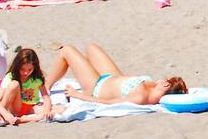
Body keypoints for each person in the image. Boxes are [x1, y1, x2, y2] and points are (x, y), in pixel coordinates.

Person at [45, 43, 186, 105]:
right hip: (111, 77)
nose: (161, 79)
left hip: (96, 88)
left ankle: (46, 87)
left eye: (165, 80)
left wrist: (78, 95)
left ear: (166, 85)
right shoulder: (152, 86)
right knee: (91, 47)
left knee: (67, 50)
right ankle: (83, 69)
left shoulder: (141, 97)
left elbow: (109, 102)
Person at [0, 47, 54, 126]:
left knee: (57, 110)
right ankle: (2, 116)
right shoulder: (10, 77)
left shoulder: (37, 79)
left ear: (34, 68)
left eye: (29, 70)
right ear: (17, 66)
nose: (25, 73)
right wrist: (5, 114)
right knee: (14, 84)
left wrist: (47, 110)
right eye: (22, 69)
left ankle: (22, 119)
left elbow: (46, 97)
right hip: (14, 106)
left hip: (29, 107)